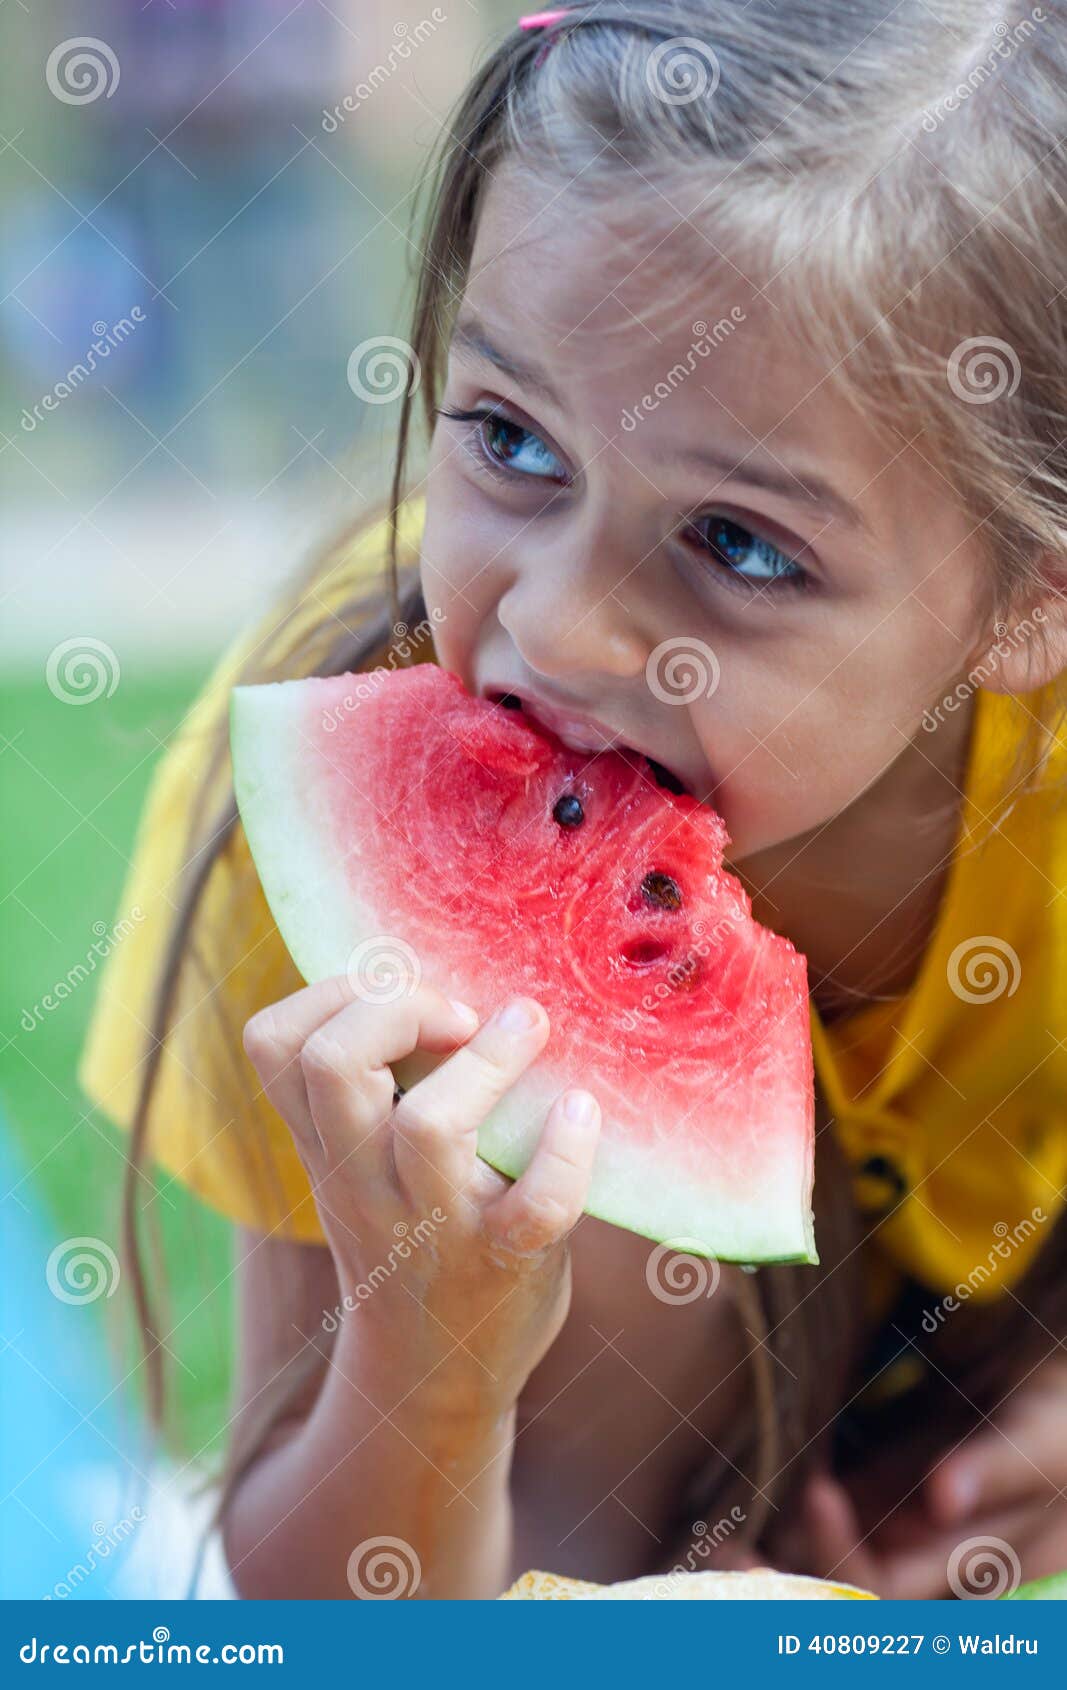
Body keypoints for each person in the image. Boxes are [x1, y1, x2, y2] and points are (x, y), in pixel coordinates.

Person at [79, 2, 1067, 1599]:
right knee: (537, 1134)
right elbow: (333, 1616)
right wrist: (431, 1350)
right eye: (510, 439)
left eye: (742, 544)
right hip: (520, 1526)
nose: (556, 627)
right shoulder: (333, 739)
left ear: (1032, 597)